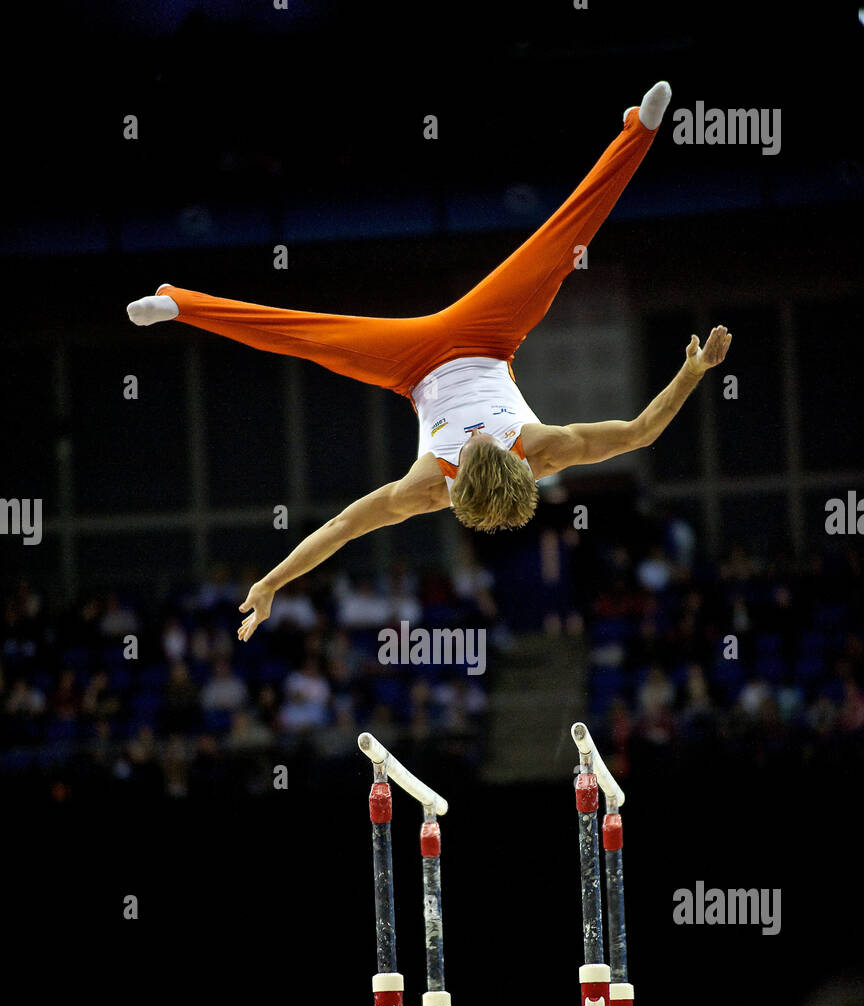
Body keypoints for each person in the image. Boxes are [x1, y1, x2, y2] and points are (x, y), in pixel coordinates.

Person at [126, 83, 732, 641]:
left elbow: (338, 531)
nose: (474, 447)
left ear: (457, 480)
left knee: (302, 337)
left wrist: (272, 582)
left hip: (413, 367)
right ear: (518, 461)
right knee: (558, 249)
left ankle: (181, 304)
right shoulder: (544, 448)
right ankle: (639, 132)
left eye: (468, 457)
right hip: (489, 338)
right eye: (486, 450)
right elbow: (642, 431)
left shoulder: (427, 488)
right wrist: (693, 370)